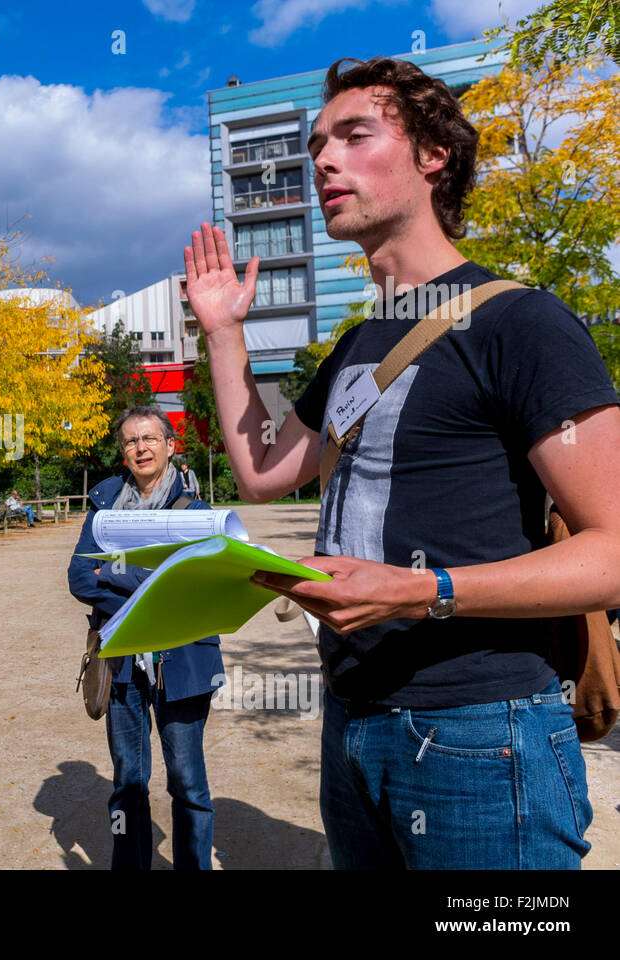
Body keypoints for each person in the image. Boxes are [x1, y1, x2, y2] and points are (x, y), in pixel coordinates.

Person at [185, 56, 620, 869]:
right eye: (318, 143)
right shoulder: (358, 344)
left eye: (355, 135)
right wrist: (222, 333)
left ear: (433, 156)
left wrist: (423, 592)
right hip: (354, 718)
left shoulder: (522, 323)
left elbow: (614, 552)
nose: (322, 159)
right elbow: (265, 472)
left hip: (484, 732)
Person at [67, 405, 224, 869]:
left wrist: (117, 574)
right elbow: (79, 577)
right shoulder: (104, 505)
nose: (141, 447)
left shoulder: (196, 512)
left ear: (170, 445)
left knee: (187, 782)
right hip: (121, 662)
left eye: (150, 438)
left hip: (184, 662)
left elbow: (201, 586)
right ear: (123, 452)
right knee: (129, 781)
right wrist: (148, 583)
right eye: (131, 441)